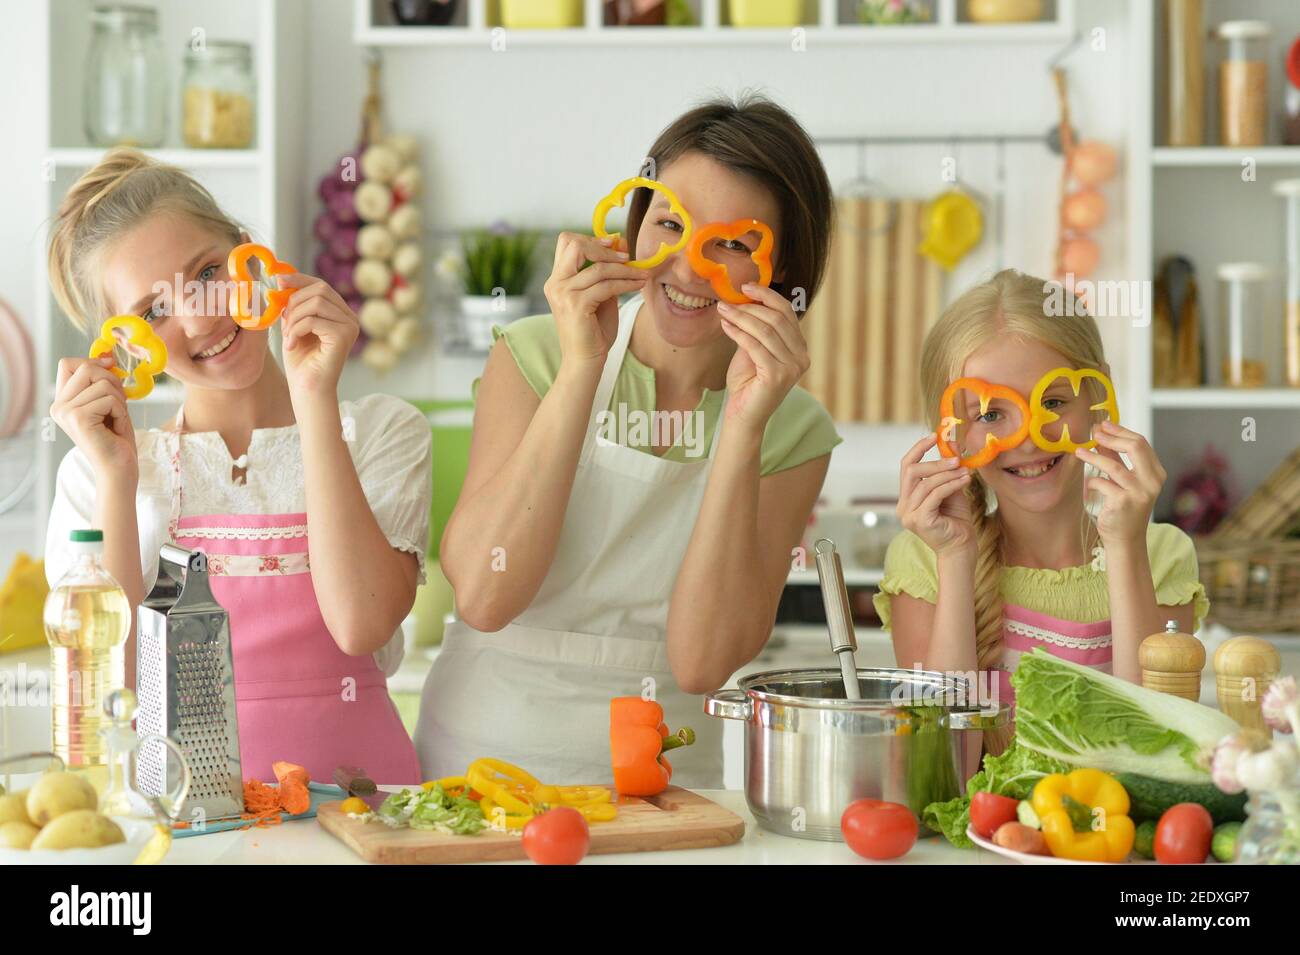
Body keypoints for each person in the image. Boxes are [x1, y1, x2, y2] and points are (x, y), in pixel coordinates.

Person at [419, 95, 842, 787]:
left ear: (784, 268)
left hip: (665, 784)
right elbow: (486, 596)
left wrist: (742, 423)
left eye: (732, 244)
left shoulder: (792, 430)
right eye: (671, 223)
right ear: (635, 222)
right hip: (480, 765)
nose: (686, 267)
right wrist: (581, 368)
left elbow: (703, 662)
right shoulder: (536, 356)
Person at [44, 149, 429, 783]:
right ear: (122, 347)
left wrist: (314, 398)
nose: (200, 316)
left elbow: (361, 624)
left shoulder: (381, 431)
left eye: (207, 273)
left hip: (368, 816)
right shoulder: (95, 475)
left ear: (252, 257)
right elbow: (115, 698)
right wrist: (118, 482)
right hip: (194, 829)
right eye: (152, 312)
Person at [875, 269, 1208, 755]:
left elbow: (1154, 750)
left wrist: (1124, 545)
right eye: (990, 415)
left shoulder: (1161, 556)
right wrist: (956, 558)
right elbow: (943, 767)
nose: (1029, 438)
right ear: (952, 433)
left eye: (1052, 402)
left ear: (1097, 397)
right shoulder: (925, 560)